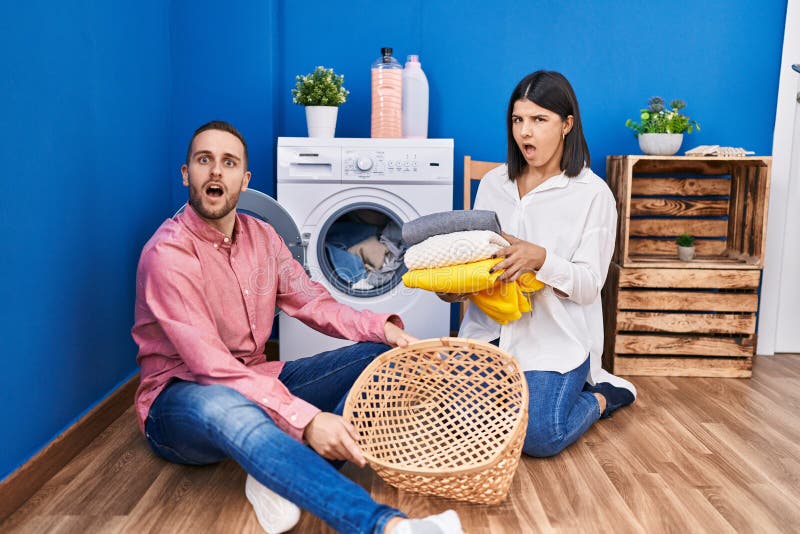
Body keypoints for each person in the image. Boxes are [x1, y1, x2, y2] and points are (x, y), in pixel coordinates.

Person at [132, 121, 462, 534]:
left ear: (244, 179)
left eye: (229, 162)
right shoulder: (168, 254)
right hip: (181, 398)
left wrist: (384, 329)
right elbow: (211, 369)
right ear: (187, 174)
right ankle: (389, 528)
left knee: (382, 358)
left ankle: (274, 473)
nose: (216, 171)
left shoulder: (263, 237)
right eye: (205, 160)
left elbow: (312, 302)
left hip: (256, 377)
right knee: (228, 404)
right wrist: (306, 421)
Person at [447, 71, 637, 458]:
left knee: (540, 437)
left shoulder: (592, 194)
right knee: (456, 429)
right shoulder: (494, 184)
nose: (525, 133)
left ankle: (603, 396)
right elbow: (478, 259)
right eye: (518, 120)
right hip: (489, 333)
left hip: (555, 341)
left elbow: (589, 285)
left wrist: (543, 260)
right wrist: (455, 285)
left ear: (567, 124)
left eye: (539, 120)